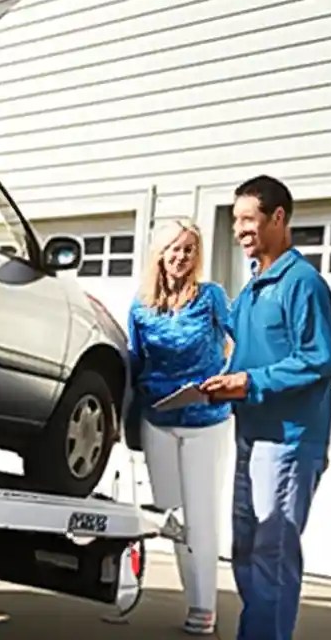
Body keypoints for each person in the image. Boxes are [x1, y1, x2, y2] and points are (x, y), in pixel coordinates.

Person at [200, 175, 331, 640]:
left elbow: (320, 359)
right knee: (246, 548)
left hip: (289, 441)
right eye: (235, 220)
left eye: (248, 219)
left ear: (277, 218)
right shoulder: (256, 285)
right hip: (252, 434)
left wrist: (249, 381)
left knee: (272, 554)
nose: (239, 229)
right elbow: (236, 341)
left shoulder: (303, 284)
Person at [123, 218, 234, 635]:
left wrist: (228, 382)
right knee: (171, 514)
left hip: (206, 419)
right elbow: (135, 363)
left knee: (201, 515)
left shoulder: (211, 298)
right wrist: (125, 420)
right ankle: (193, 594)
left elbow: (240, 340)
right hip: (158, 418)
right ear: (160, 254)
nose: (182, 257)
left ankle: (203, 608)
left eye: (189, 249)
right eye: (175, 248)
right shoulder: (141, 305)